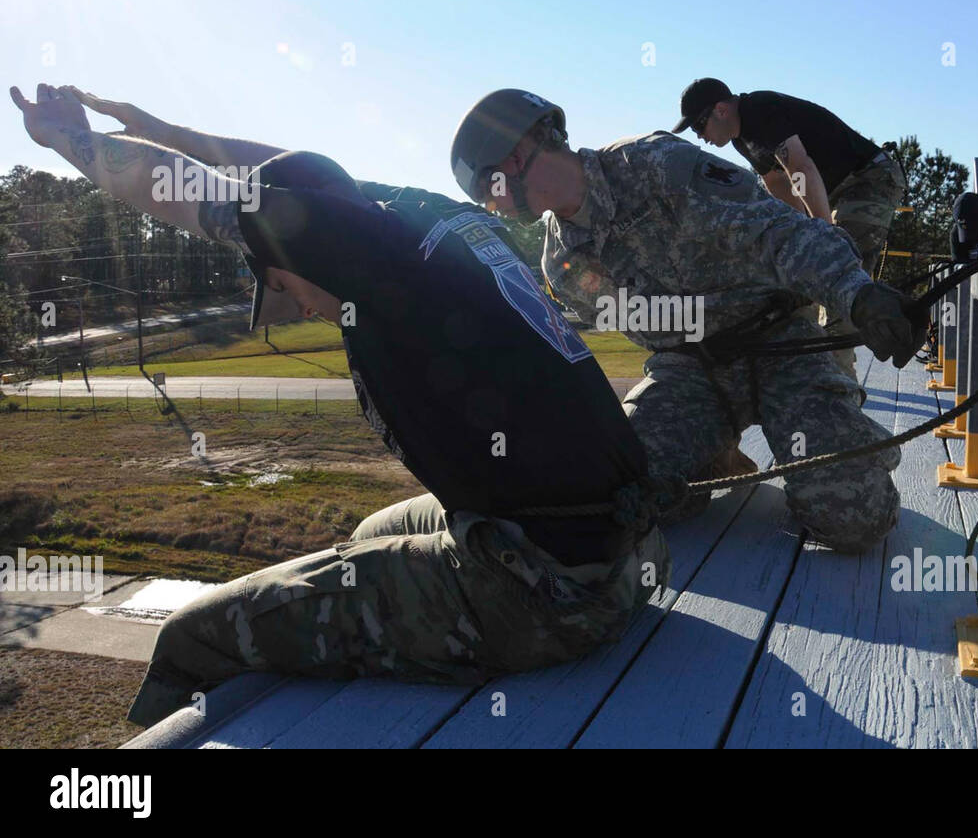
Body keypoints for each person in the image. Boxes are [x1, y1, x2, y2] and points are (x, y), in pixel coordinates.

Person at [11, 83, 669, 726]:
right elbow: (301, 172)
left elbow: (187, 194)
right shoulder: (426, 216)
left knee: (194, 634)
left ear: (299, 245)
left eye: (277, 281)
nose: (297, 305)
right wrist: (166, 129)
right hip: (636, 550)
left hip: (554, 594)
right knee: (365, 538)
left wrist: (67, 139)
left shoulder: (354, 251)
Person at [451, 89, 925, 553]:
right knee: (627, 496)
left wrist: (857, 292)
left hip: (781, 344)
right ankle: (713, 450)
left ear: (513, 159)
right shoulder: (562, 263)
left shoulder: (655, 166)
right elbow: (642, 336)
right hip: (693, 372)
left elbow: (777, 231)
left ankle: (852, 442)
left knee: (853, 516)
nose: (490, 206)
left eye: (484, 190)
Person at [671, 77, 907, 376]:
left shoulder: (758, 110)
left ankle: (839, 388)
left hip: (868, 179)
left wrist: (823, 234)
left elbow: (800, 167)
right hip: (838, 190)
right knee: (806, 272)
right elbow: (777, 182)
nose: (699, 136)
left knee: (839, 276)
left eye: (698, 126)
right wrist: (798, 235)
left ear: (720, 110)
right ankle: (819, 375)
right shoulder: (741, 138)